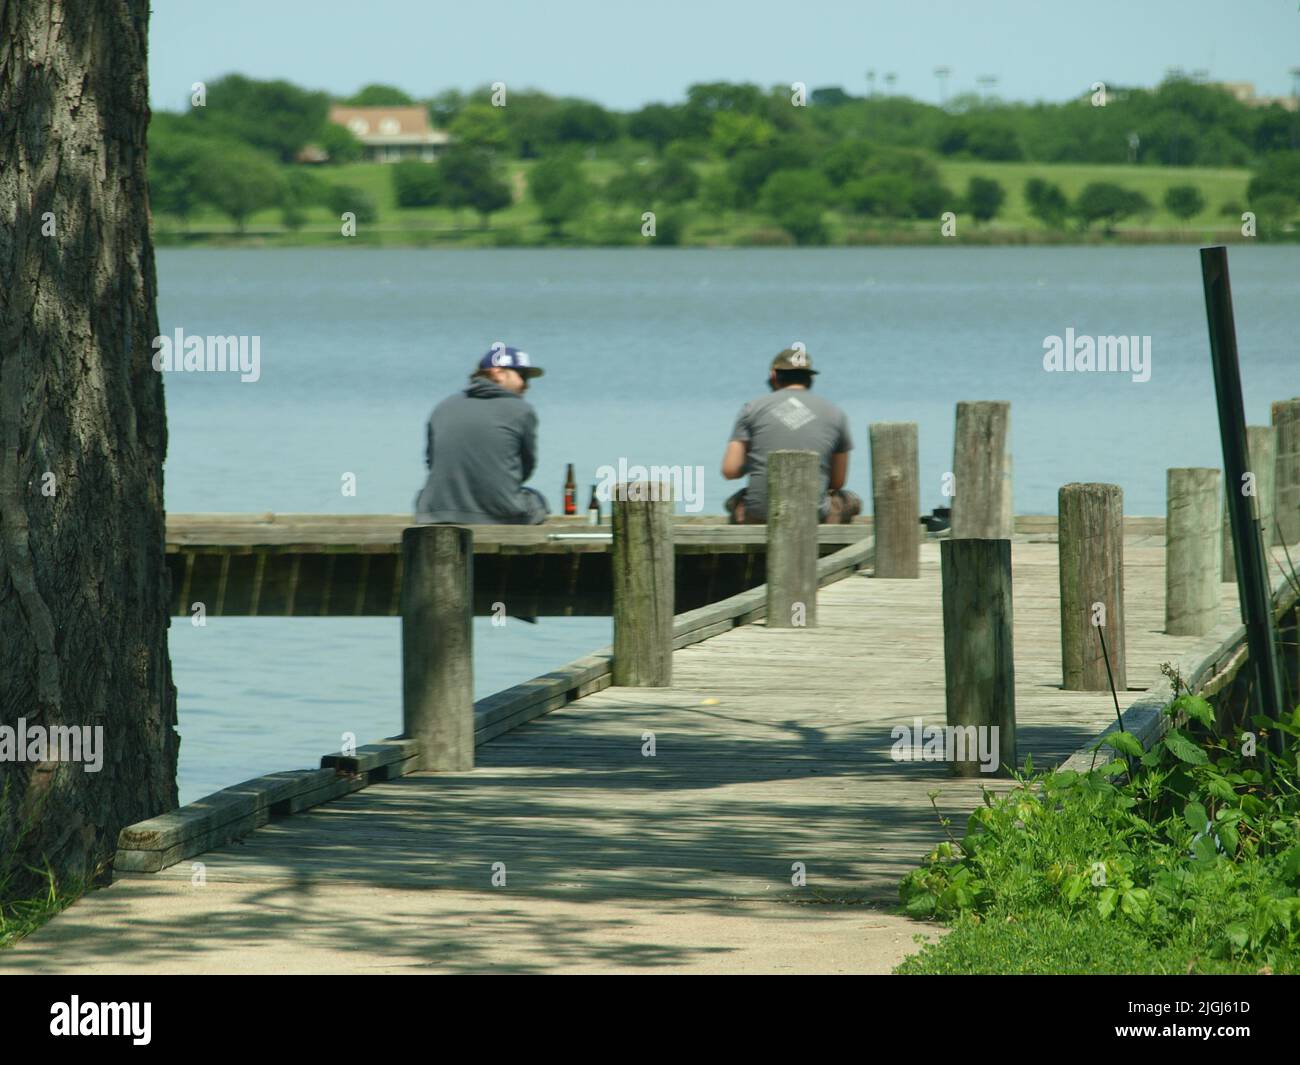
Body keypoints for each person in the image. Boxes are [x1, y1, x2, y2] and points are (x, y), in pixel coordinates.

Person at [721, 348, 862, 524]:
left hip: (760, 515)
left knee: (736, 502)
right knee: (848, 500)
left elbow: (730, 470)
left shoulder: (751, 409)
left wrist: (754, 460)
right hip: (813, 516)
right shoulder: (835, 413)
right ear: (810, 378)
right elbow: (837, 481)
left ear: (773, 375)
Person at [414, 345, 550, 524]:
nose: (526, 385)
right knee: (537, 501)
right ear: (498, 373)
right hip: (501, 513)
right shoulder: (521, 410)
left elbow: (433, 463)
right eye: (522, 376)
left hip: (437, 513)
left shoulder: (444, 406)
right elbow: (525, 468)